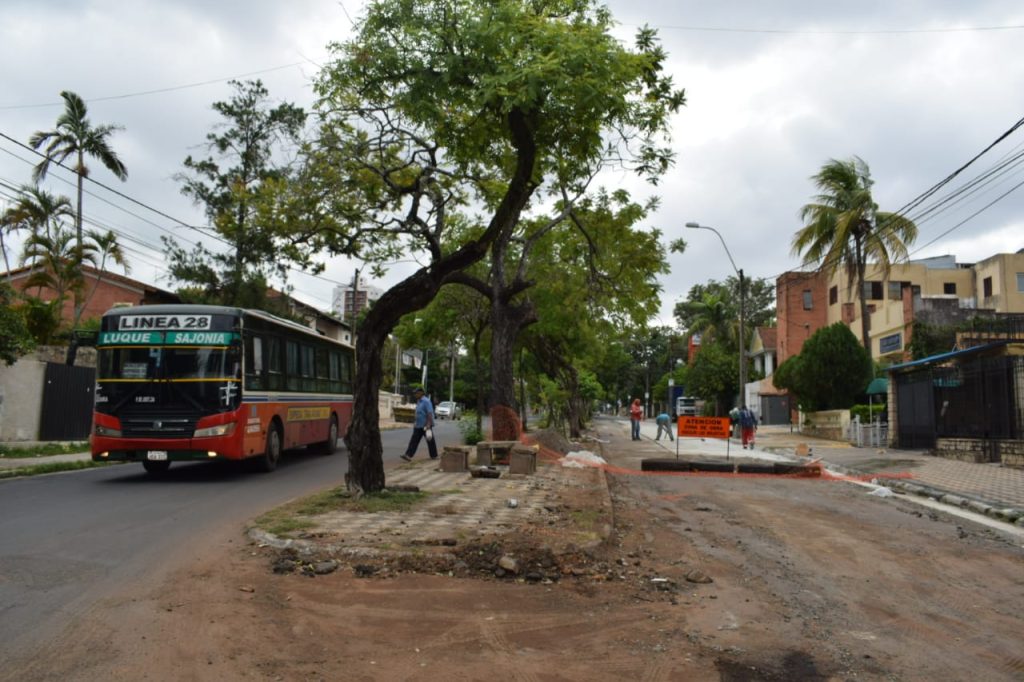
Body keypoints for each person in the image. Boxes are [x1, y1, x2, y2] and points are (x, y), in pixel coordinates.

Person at [401, 387, 438, 461]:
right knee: (414, 440)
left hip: (426, 425)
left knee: (430, 440)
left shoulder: (426, 401)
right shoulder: (419, 401)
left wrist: (428, 424)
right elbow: (418, 412)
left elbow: (429, 413)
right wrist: (415, 422)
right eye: (415, 393)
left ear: (421, 393)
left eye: (416, 393)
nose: (415, 394)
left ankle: (434, 455)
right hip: (418, 425)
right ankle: (408, 455)